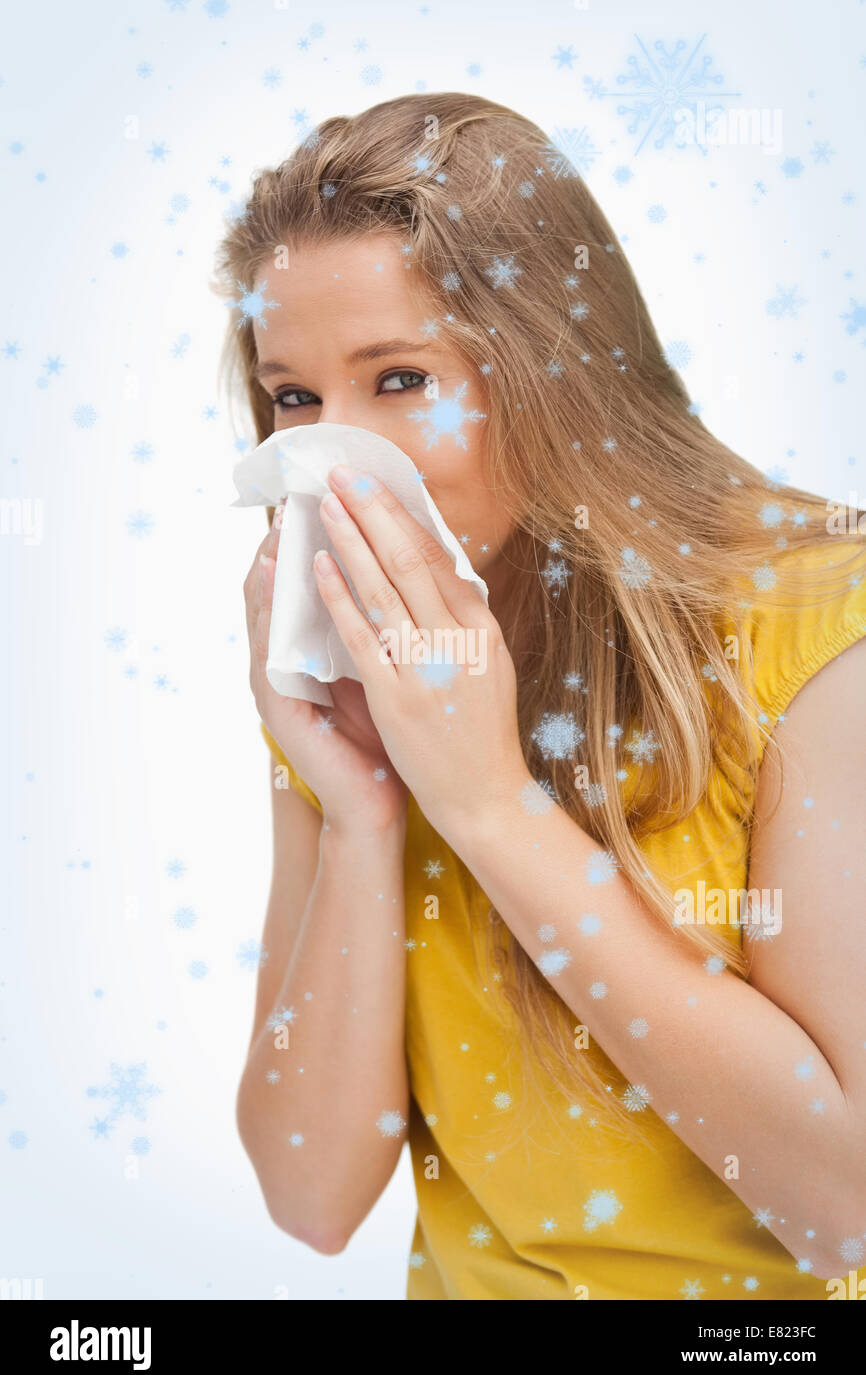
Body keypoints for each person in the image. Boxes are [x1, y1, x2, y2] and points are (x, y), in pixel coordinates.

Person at [215, 92, 866, 1300]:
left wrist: (488, 802)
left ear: (557, 368)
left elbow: (845, 1207)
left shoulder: (819, 635)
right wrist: (359, 804)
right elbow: (310, 1197)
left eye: (399, 377)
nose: (332, 458)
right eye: (295, 399)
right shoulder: (357, 664)